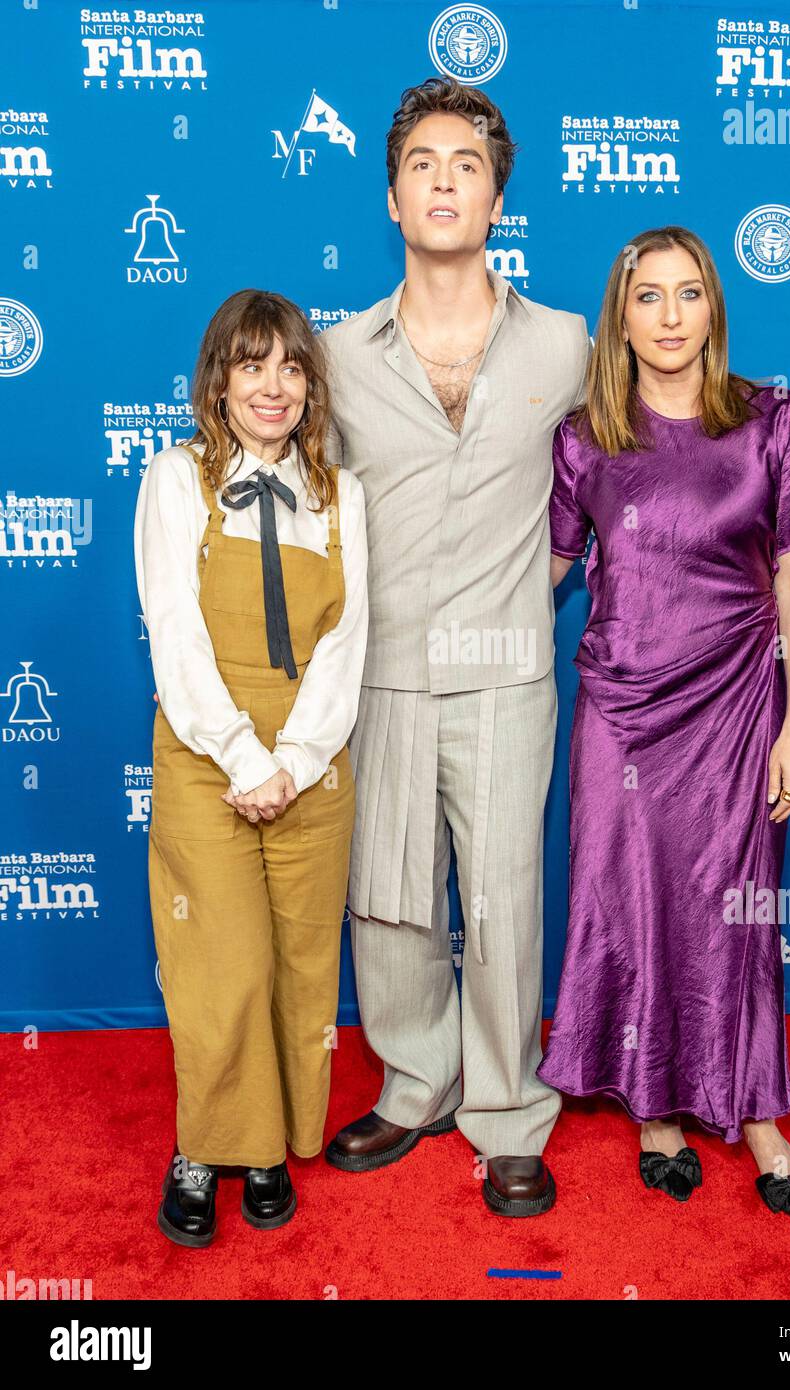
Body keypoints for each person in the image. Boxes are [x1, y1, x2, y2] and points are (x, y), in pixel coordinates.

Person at [319, 76, 591, 1216]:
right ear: (391, 196)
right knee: (387, 896)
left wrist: (528, 602)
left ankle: (507, 1110)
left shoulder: (569, 343)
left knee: (505, 895)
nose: (443, 181)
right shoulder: (332, 355)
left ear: (496, 198)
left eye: (466, 164)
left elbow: (596, 502)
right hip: (378, 674)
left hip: (506, 674)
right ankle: (417, 1078)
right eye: (422, 163)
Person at [537, 226, 790, 1223]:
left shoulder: (773, 421)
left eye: (687, 295)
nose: (668, 318)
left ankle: (756, 1112)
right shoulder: (585, 435)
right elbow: (540, 572)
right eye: (647, 297)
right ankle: (655, 1110)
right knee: (629, 902)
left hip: (736, 705)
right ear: (618, 317)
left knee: (740, 907)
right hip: (622, 711)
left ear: (713, 307)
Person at [134, 289, 368, 1247]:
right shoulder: (173, 479)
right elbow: (176, 638)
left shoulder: (342, 494)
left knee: (300, 970)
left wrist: (298, 760)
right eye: (251, 365)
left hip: (311, 762)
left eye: (291, 366)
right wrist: (241, 756)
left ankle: (266, 1145)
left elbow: (349, 642)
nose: (272, 387)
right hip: (205, 755)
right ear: (219, 381)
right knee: (217, 966)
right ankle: (204, 1147)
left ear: (311, 384)